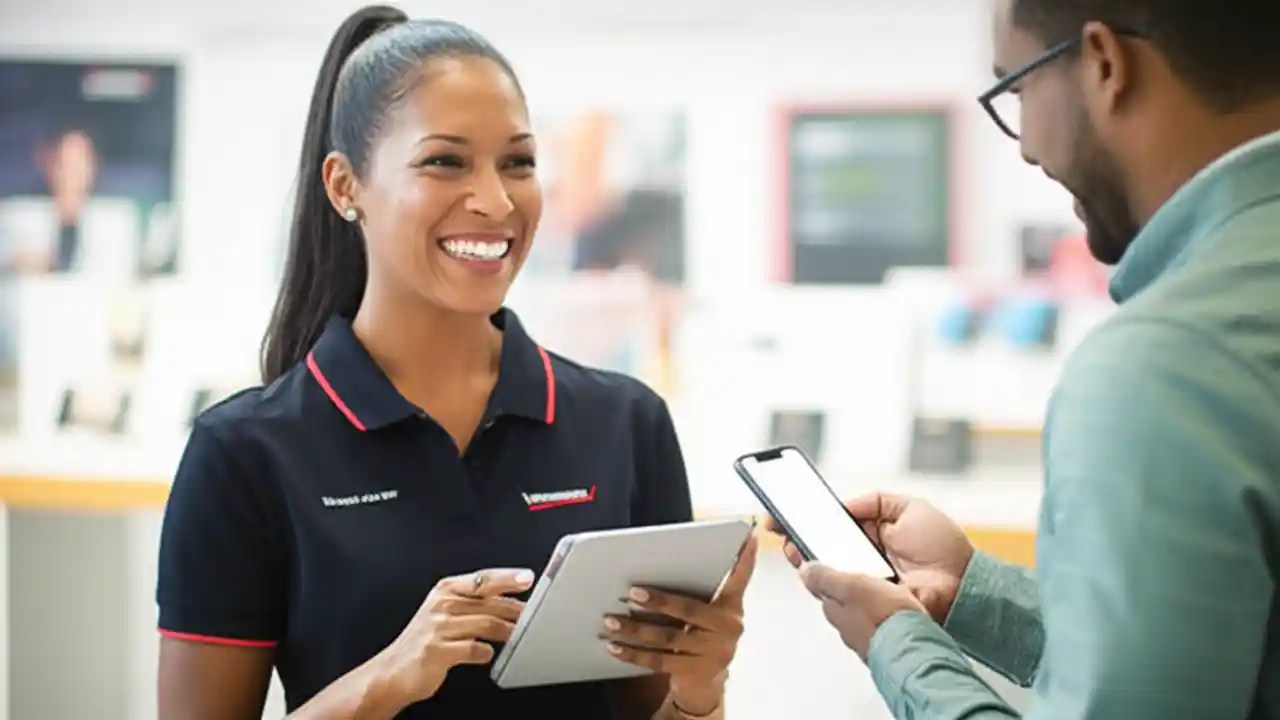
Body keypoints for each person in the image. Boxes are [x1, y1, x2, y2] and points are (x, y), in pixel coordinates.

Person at [154, 6, 755, 719]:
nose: (496, 201)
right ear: (346, 187)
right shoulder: (243, 453)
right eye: (445, 161)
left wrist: (699, 692)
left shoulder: (626, 423)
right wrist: (389, 678)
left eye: (518, 163)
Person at [770, 0, 1280, 718]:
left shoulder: (1164, 366)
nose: (1026, 148)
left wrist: (898, 647)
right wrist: (974, 591)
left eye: (1016, 88)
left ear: (1106, 65)